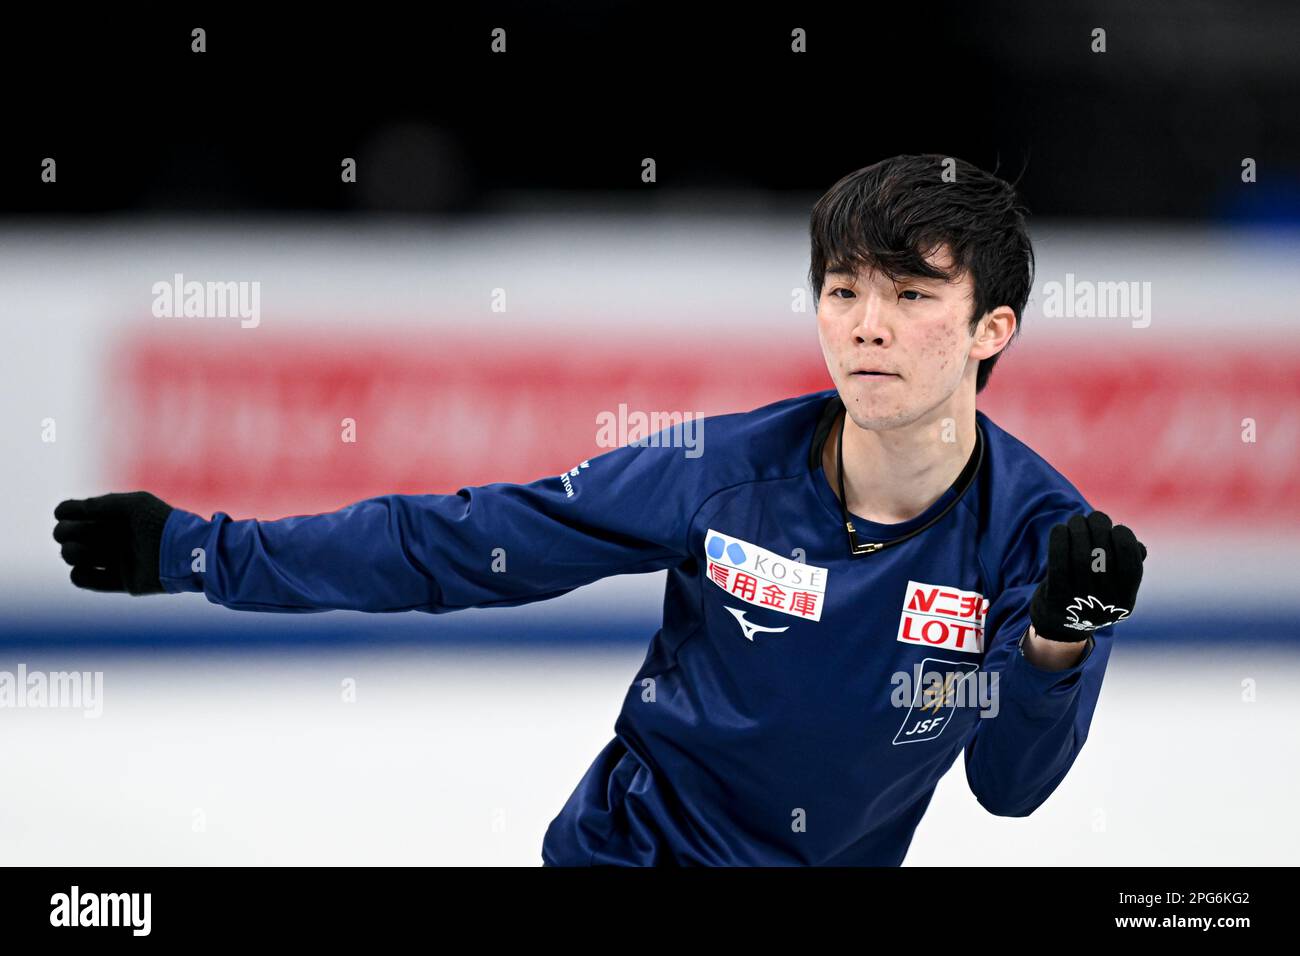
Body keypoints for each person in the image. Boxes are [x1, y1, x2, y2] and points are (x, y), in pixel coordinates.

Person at [53, 154, 1147, 866]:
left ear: (991, 328)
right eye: (843, 289)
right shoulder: (715, 472)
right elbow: (456, 543)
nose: (866, 324)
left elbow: (1008, 792)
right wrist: (195, 550)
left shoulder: (1044, 543)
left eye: (911, 296)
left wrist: (1057, 642)